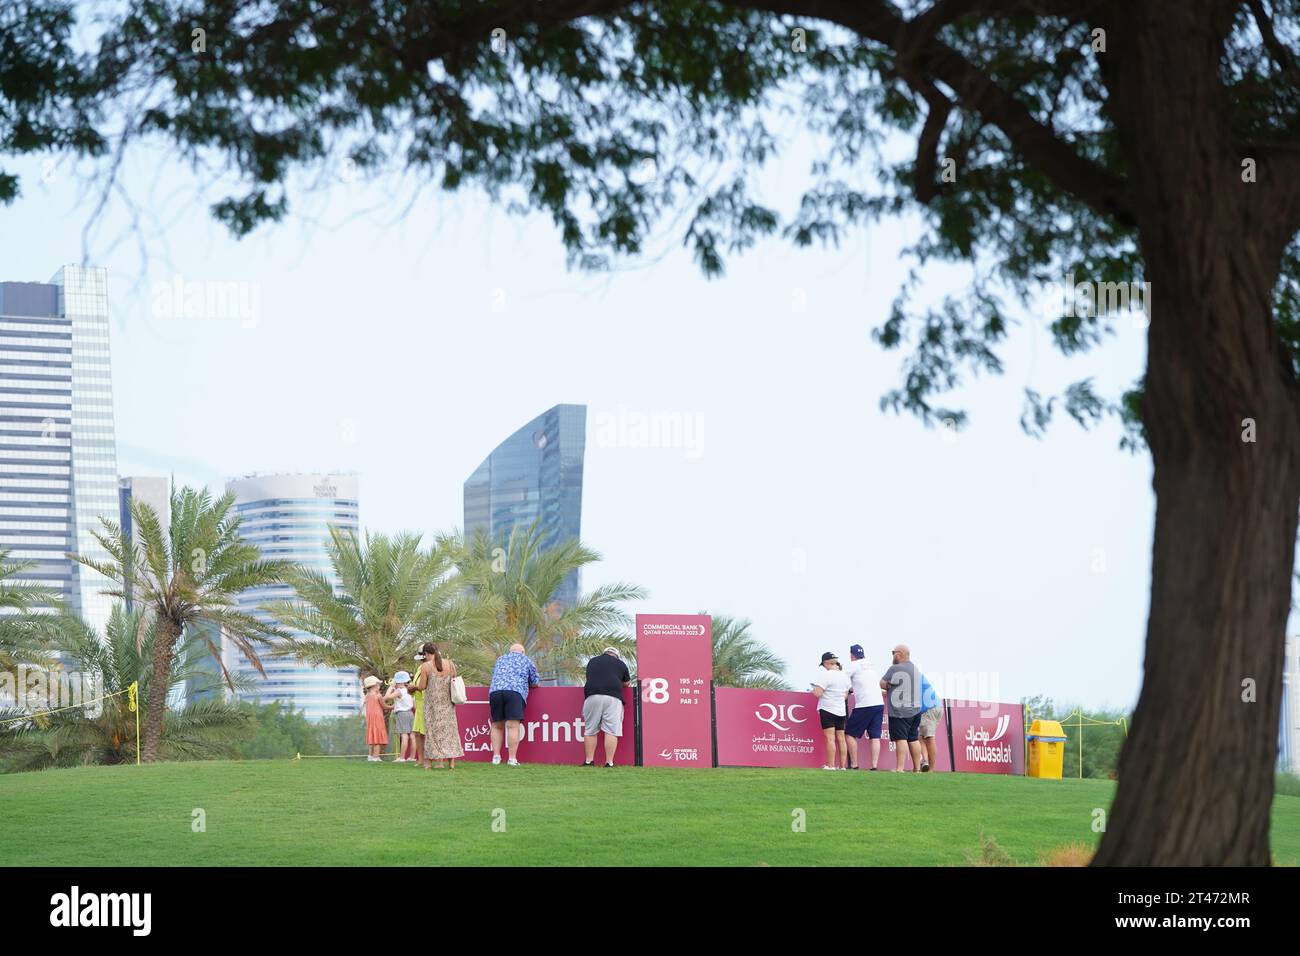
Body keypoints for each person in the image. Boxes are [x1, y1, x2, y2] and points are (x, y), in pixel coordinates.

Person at [487, 643, 540, 766]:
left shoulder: (500, 659)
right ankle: (512, 759)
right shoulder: (526, 660)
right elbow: (535, 682)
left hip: (495, 692)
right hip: (514, 692)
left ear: (510, 652)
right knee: (512, 726)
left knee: (496, 725)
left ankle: (496, 757)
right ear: (522, 652)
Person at [414, 642, 463, 770]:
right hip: (448, 703)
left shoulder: (426, 666)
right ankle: (451, 763)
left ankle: (429, 763)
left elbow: (422, 686)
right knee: (450, 732)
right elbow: (454, 679)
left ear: (426, 654)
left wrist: (413, 687)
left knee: (431, 732)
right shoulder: (450, 664)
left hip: (432, 704)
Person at [582, 647, 631, 767]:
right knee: (611, 731)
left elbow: (589, 677)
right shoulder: (621, 664)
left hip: (592, 695)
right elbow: (626, 683)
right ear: (616, 656)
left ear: (604, 653)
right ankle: (609, 762)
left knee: (590, 730)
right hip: (613, 698)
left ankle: (589, 761)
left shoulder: (592, 661)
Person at [879, 644, 924, 773]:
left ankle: (900, 768)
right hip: (915, 710)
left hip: (900, 711)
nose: (893, 655)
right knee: (913, 739)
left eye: (894, 653)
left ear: (899, 654)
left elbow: (881, 683)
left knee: (901, 739)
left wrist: (888, 686)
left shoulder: (895, 668)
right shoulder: (915, 669)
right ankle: (917, 768)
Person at [844, 644, 883, 770]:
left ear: (851, 655)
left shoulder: (853, 665)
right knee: (875, 736)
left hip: (865, 704)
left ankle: (854, 765)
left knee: (849, 734)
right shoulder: (871, 665)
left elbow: (841, 678)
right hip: (878, 703)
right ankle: (874, 766)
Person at [811, 651, 852, 770]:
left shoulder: (826, 675)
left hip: (828, 709)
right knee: (841, 738)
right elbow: (845, 695)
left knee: (830, 738)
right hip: (841, 710)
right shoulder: (844, 676)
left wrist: (814, 690)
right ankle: (843, 766)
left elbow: (818, 693)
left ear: (826, 663)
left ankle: (830, 765)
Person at [385, 670, 416, 762]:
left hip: (402, 714)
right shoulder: (410, 690)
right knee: (412, 736)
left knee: (404, 735)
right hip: (411, 713)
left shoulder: (399, 691)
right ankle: (412, 757)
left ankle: (402, 757)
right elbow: (414, 706)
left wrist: (390, 688)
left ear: (399, 682)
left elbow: (387, 697)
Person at [916, 668, 943, 772]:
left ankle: (930, 768)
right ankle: (925, 763)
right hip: (936, 707)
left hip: (929, 709)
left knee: (929, 738)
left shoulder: (911, 678)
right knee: (921, 738)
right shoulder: (918, 676)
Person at [362, 675, 391, 761]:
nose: (379, 686)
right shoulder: (378, 696)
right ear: (374, 685)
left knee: (372, 738)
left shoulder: (367, 696)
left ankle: (370, 756)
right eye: (378, 685)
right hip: (378, 718)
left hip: (370, 719)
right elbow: (384, 706)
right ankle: (376, 756)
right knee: (377, 738)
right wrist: (393, 706)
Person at [410, 650, 427, 765]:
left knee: (427, 733)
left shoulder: (431, 668)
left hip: (427, 702)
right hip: (419, 702)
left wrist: (414, 687)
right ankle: (420, 759)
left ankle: (429, 759)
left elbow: (423, 686)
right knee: (417, 733)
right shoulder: (419, 669)